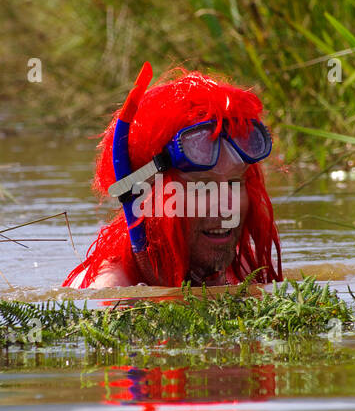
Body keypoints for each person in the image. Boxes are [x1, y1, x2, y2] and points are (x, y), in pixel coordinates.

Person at [63, 63, 283, 289]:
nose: (228, 205)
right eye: (203, 186)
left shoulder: (246, 271)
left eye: (236, 183)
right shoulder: (112, 293)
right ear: (144, 195)